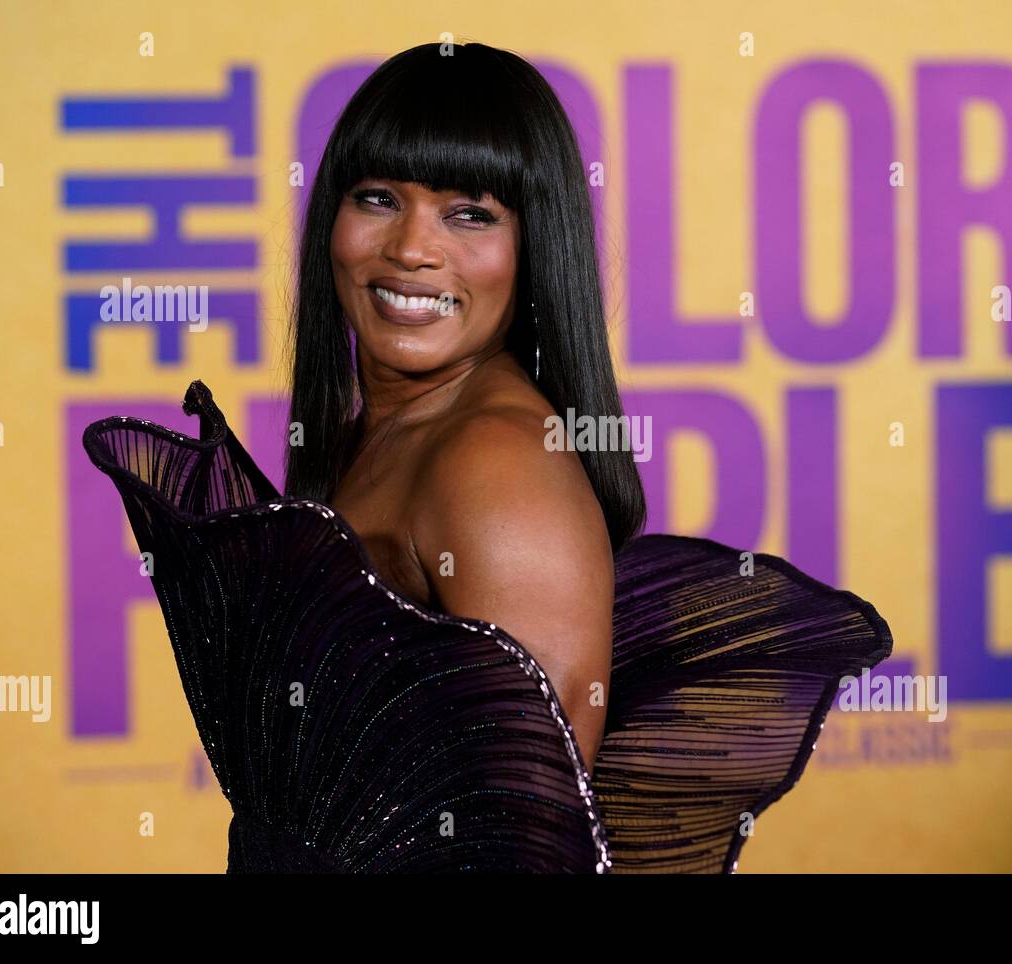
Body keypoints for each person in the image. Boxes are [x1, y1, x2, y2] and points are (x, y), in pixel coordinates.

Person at [82, 42, 893, 873]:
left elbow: (531, 851)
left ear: (533, 247)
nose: (409, 249)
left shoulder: (497, 464)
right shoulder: (392, 431)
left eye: (469, 213)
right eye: (377, 198)